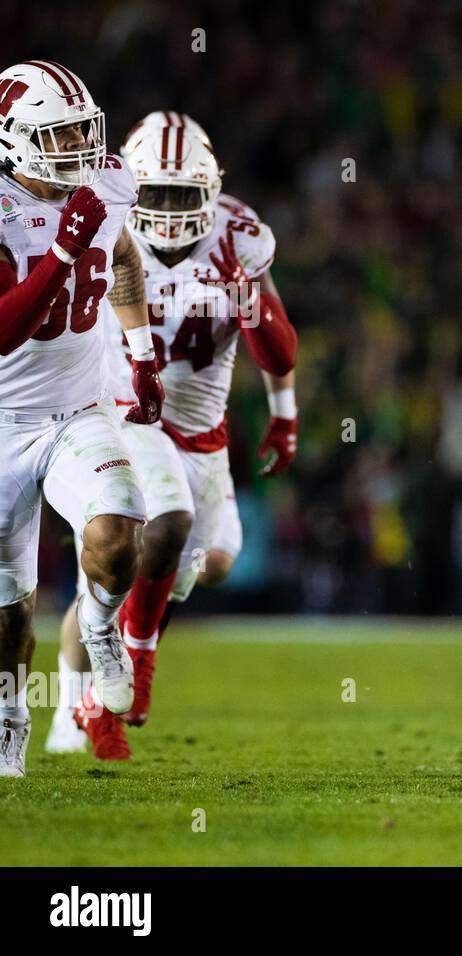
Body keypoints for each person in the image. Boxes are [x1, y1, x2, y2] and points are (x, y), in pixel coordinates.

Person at [45, 111, 298, 760]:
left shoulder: (239, 237)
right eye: (152, 191)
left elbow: (279, 345)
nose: (163, 208)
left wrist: (283, 407)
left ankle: (98, 674)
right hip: (122, 413)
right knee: (163, 526)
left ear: (211, 189)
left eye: (181, 194)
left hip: (202, 429)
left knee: (208, 566)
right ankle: (101, 690)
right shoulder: (98, 220)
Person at [0, 60, 165, 777]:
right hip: (3, 420)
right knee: (10, 619)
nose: (76, 144)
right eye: (57, 132)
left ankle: (99, 628)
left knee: (121, 532)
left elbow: (123, 255)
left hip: (79, 409)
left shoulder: (104, 184)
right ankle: (10, 721)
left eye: (80, 127)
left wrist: (140, 349)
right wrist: (63, 246)